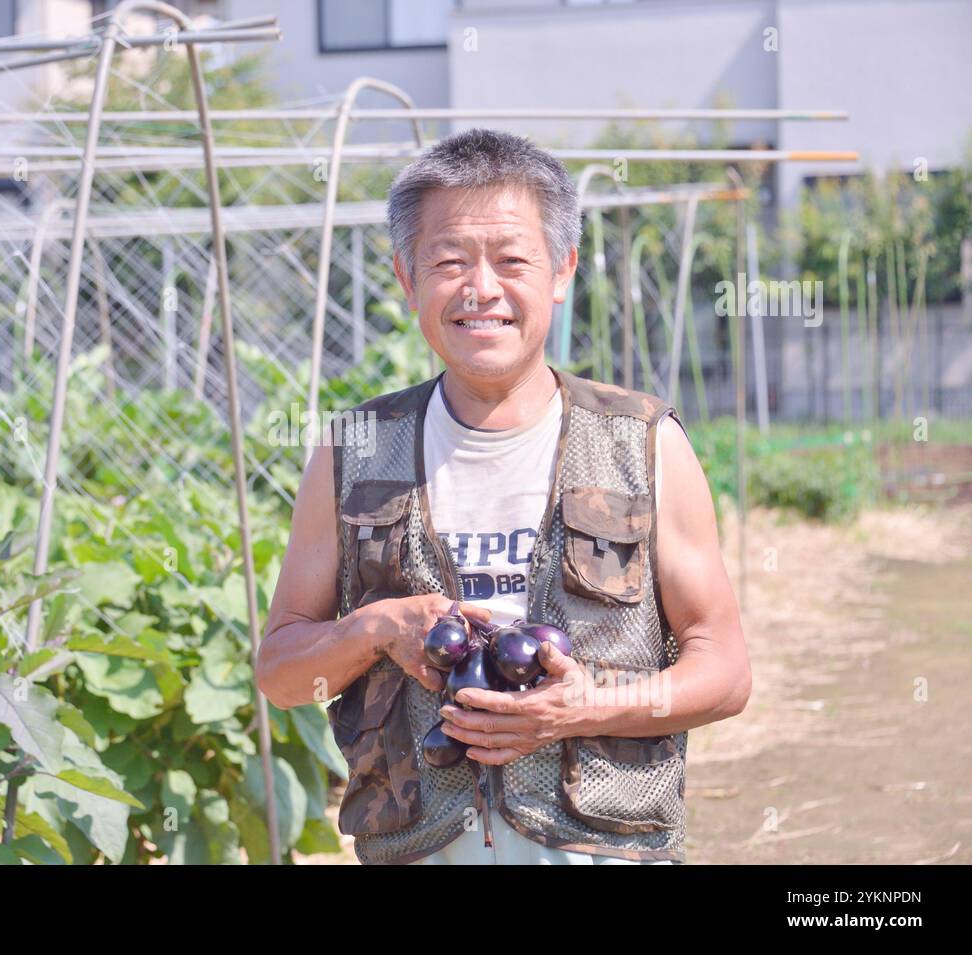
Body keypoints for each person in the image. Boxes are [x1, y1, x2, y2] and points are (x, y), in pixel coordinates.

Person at [256, 128, 751, 865]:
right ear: (405, 276)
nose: (480, 288)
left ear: (562, 269)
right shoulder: (352, 452)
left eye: (511, 260)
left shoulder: (642, 443)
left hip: (604, 850)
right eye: (449, 261)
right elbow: (284, 675)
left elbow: (726, 671)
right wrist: (377, 627)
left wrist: (584, 706)